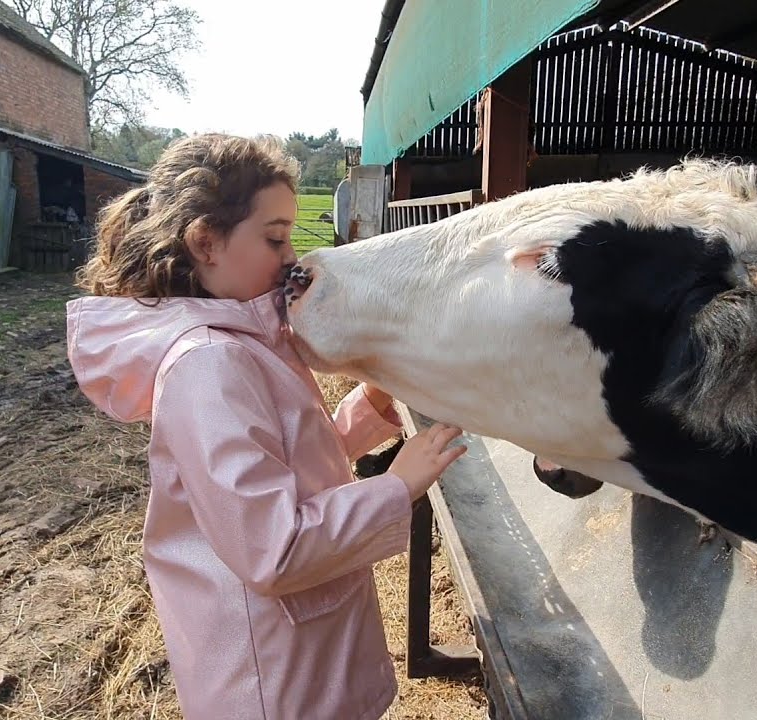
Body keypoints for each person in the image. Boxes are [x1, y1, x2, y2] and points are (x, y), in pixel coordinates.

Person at [64, 133, 467, 720]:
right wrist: (395, 486)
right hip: (274, 680)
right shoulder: (207, 363)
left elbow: (286, 459)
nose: (290, 258)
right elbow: (273, 547)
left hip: (295, 651)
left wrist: (372, 403)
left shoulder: (239, 343)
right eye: (276, 237)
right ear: (206, 242)